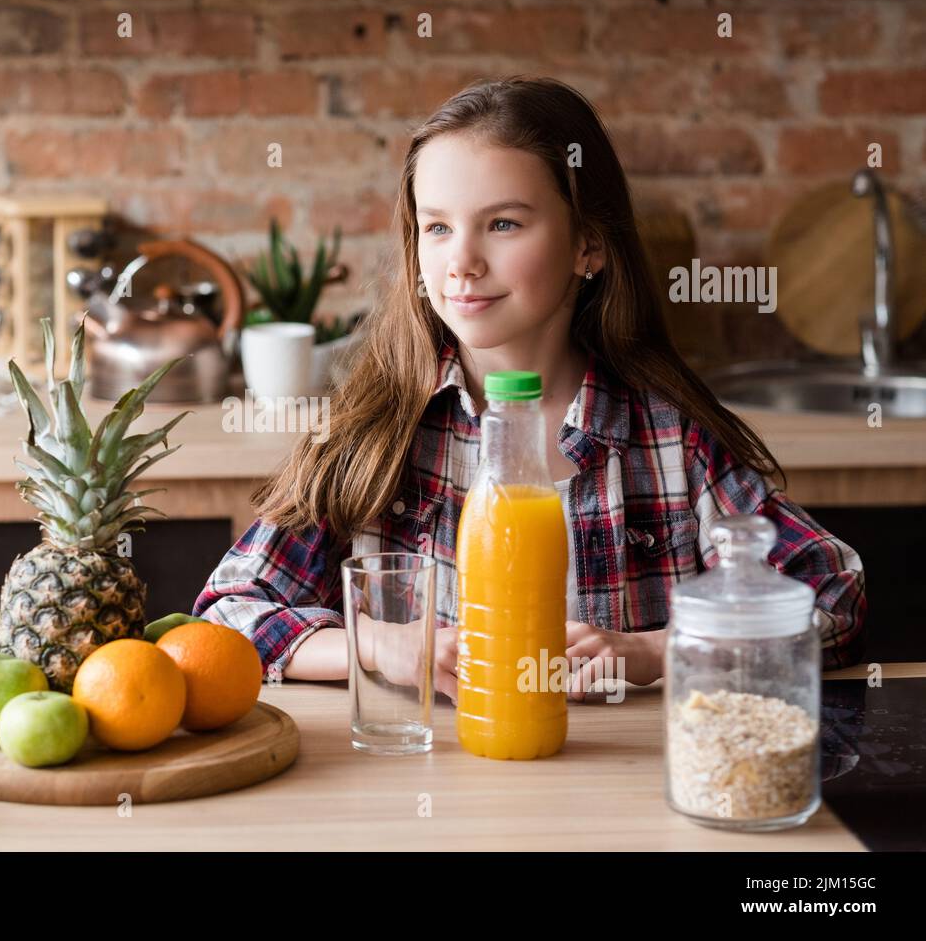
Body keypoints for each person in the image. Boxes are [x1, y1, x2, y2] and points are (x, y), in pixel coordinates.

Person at [194, 76, 866, 703]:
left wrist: (656, 651)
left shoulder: (669, 436)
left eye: (504, 224)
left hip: (619, 798)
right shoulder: (372, 434)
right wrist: (385, 646)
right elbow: (228, 612)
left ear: (588, 246)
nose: (461, 262)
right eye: (437, 227)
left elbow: (830, 592)